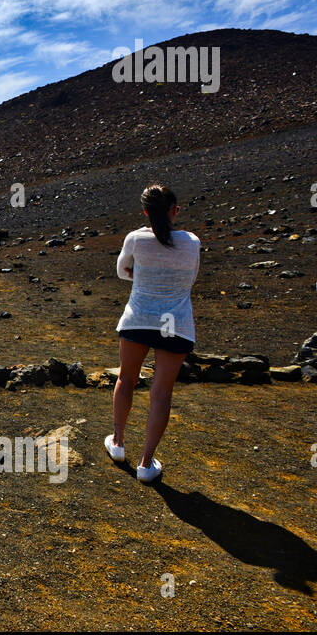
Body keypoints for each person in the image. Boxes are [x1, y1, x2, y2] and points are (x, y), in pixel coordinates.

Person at [106, 184, 200, 483]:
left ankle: (118, 444)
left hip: (139, 319)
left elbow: (121, 271)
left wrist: (142, 275)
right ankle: (146, 464)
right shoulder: (192, 241)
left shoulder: (136, 239)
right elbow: (190, 280)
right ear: (175, 211)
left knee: (126, 379)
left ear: (145, 212)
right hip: (176, 323)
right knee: (161, 394)